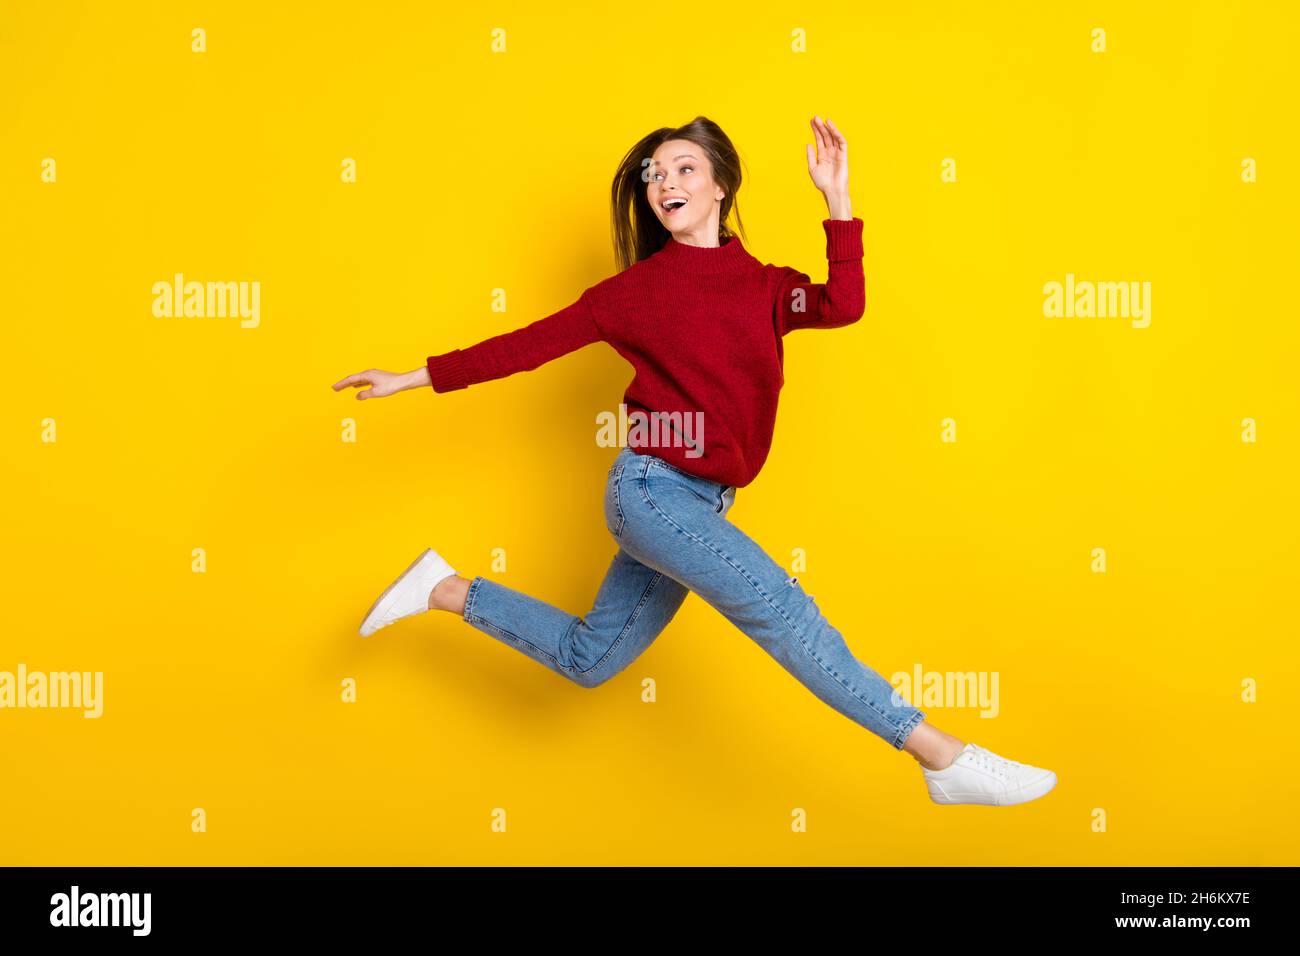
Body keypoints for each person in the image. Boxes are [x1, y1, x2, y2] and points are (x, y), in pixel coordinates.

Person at [332, 115, 1056, 807]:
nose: (665, 184)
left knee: (592, 657)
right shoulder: (633, 294)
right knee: (782, 611)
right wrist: (413, 377)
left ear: (720, 187)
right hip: (651, 492)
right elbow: (524, 346)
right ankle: (939, 754)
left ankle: (443, 588)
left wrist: (837, 200)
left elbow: (844, 304)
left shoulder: (766, 287)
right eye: (655, 175)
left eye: (684, 169)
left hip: (703, 503)